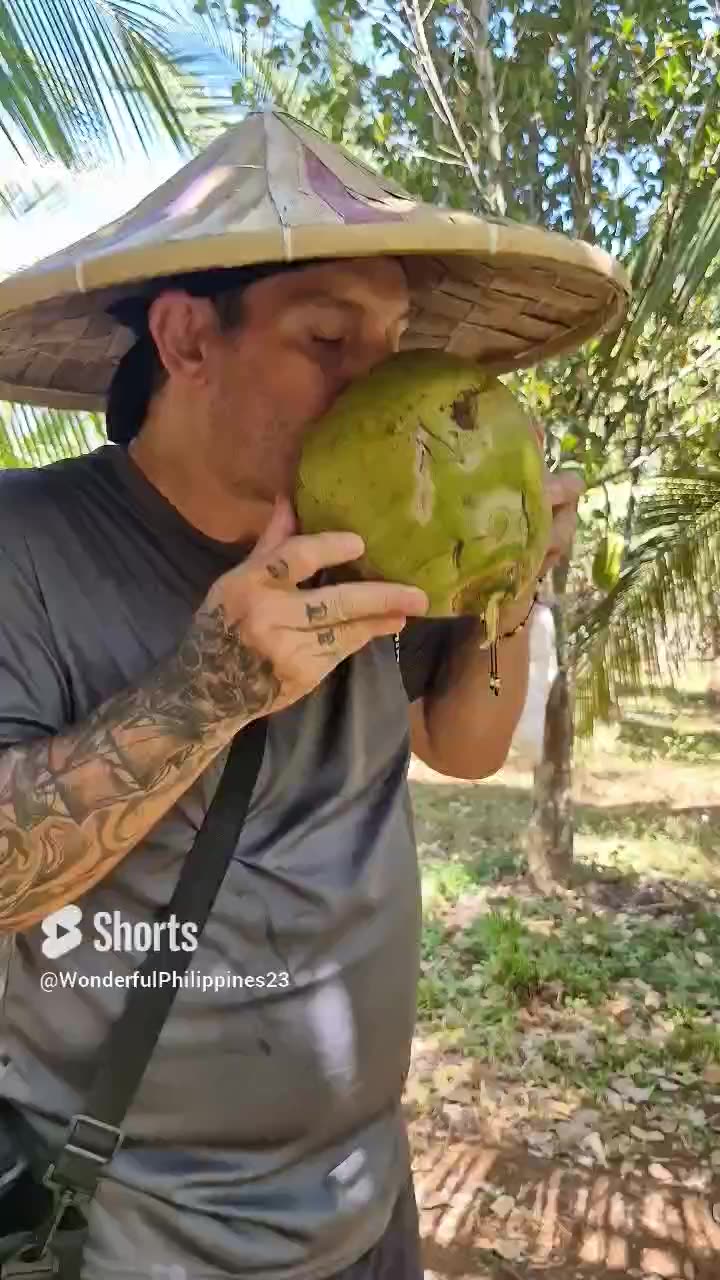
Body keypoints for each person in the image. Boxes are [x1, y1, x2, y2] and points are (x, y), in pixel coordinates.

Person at [0, 110, 628, 1280]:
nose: (374, 385)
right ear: (188, 338)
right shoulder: (23, 543)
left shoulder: (378, 533)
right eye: (328, 339)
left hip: (361, 1202)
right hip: (130, 1228)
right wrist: (209, 688)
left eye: (392, 342)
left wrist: (507, 588)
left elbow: (466, 746)